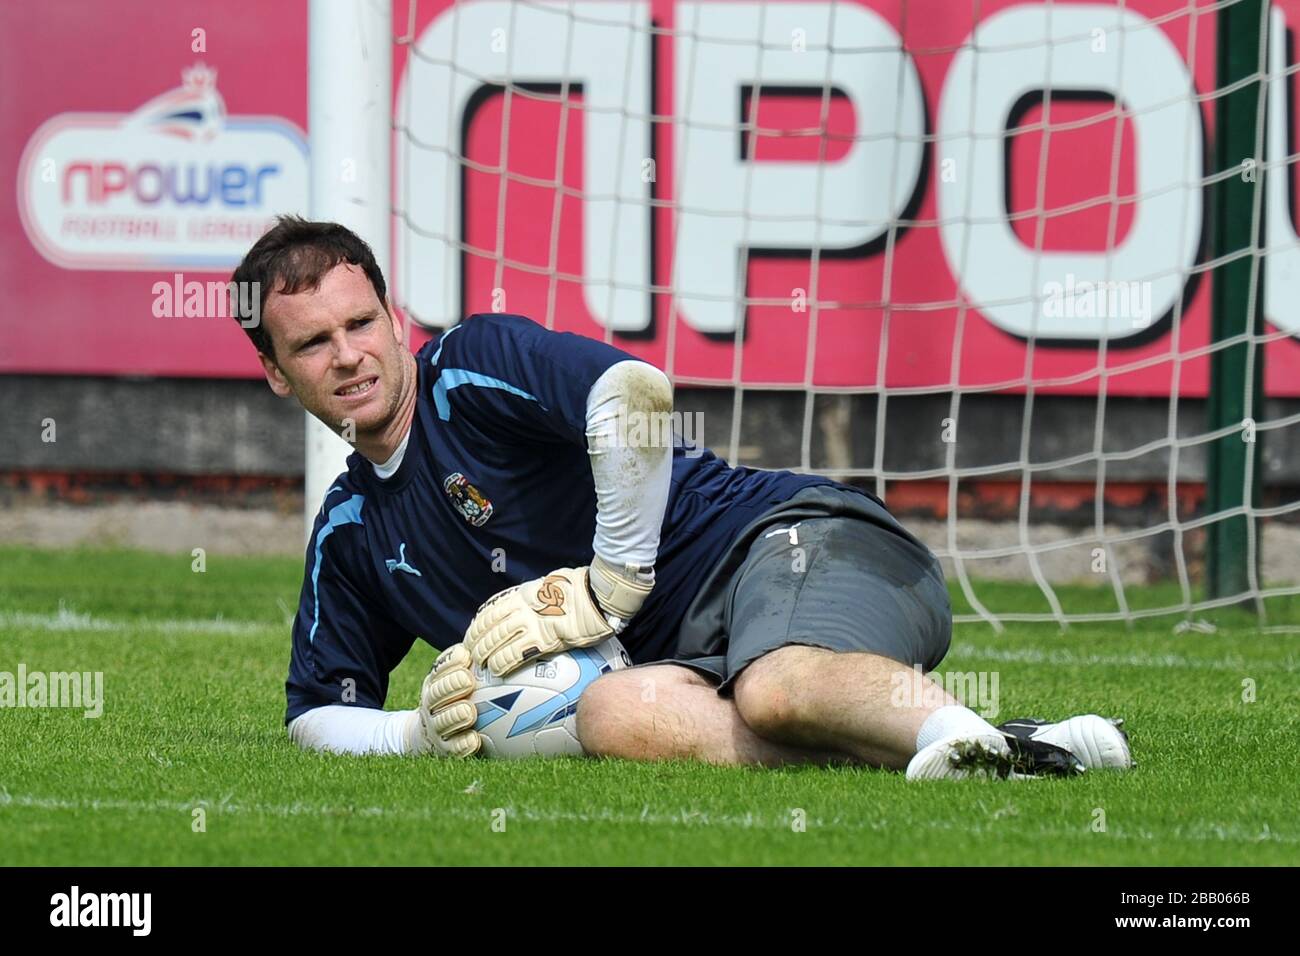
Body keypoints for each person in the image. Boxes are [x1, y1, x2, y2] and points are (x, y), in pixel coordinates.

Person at [230, 216, 1132, 780]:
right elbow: (315, 715)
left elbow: (635, 393)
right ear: (275, 373)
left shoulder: (470, 367)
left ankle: (957, 732)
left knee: (778, 688)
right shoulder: (353, 530)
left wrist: (610, 581)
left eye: (360, 324)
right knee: (615, 715)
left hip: (791, 542)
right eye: (312, 344)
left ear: (396, 321)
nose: (348, 356)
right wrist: (416, 738)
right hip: (691, 664)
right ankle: (1008, 750)